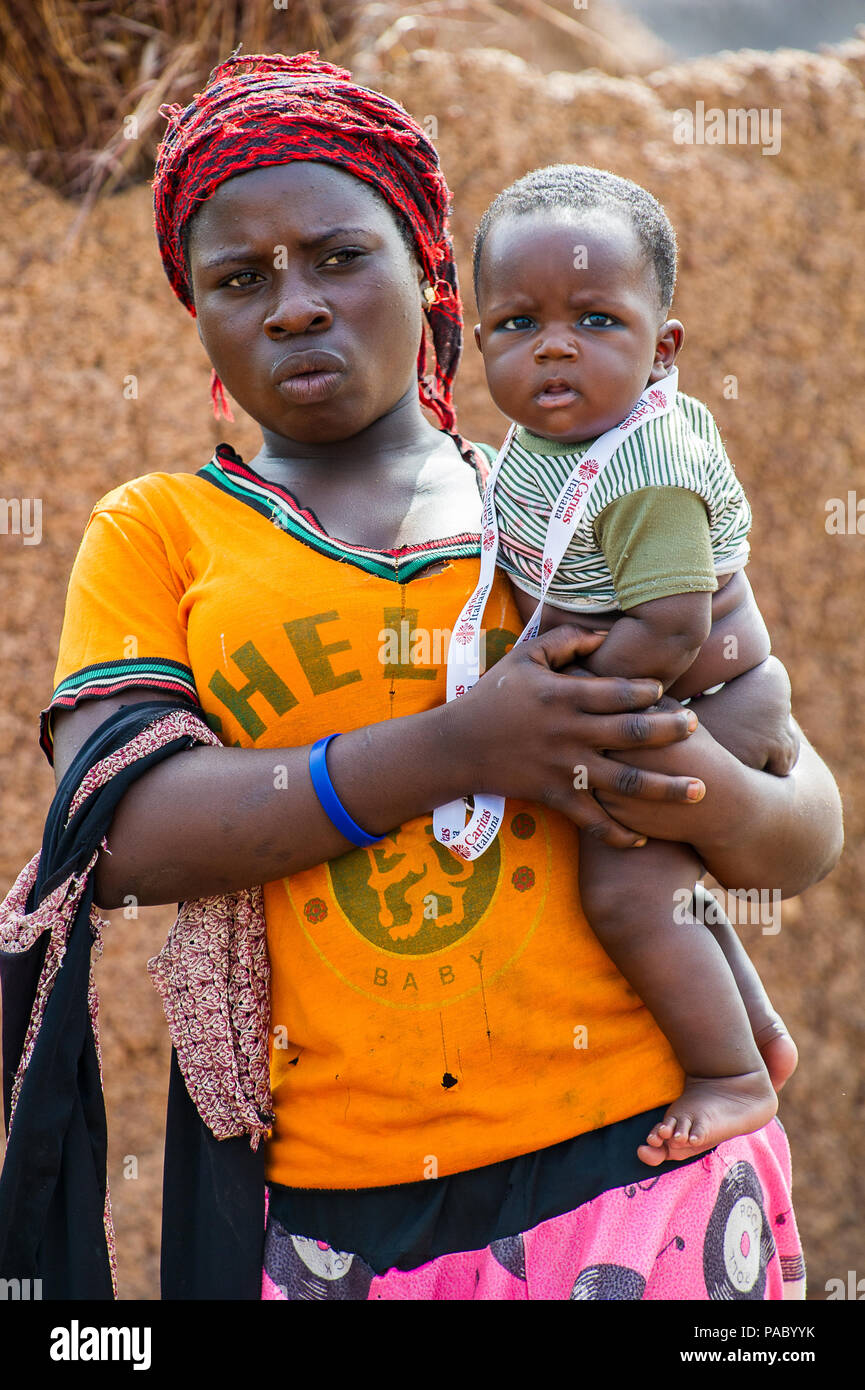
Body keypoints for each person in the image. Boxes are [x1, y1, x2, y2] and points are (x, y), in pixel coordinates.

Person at [31, 52, 841, 1300]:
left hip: (641, 1166)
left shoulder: (571, 501)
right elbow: (125, 836)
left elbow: (798, 827)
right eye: (239, 279)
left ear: (429, 270)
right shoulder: (159, 533)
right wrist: (468, 749)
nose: (294, 305)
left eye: (341, 257)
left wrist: (690, 782)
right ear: (195, 312)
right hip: (334, 1220)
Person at [469, 164, 799, 1167]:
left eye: (597, 322)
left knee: (623, 891)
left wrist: (547, 698)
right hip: (667, 689)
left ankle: (730, 1077)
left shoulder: (646, 470)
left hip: (711, 697)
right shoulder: (544, 439)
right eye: (516, 325)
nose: (554, 345)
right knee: (663, 879)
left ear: (662, 350)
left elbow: (667, 628)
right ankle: (761, 1033)